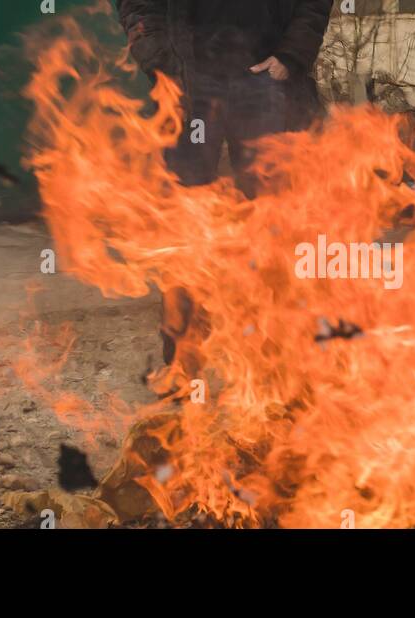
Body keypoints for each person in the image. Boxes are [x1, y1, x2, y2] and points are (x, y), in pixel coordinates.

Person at [117, 0, 334, 398]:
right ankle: (183, 363)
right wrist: (162, 62)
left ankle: (274, 365)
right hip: (187, 85)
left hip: (266, 80)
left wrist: (291, 55)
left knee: (272, 225)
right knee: (183, 228)